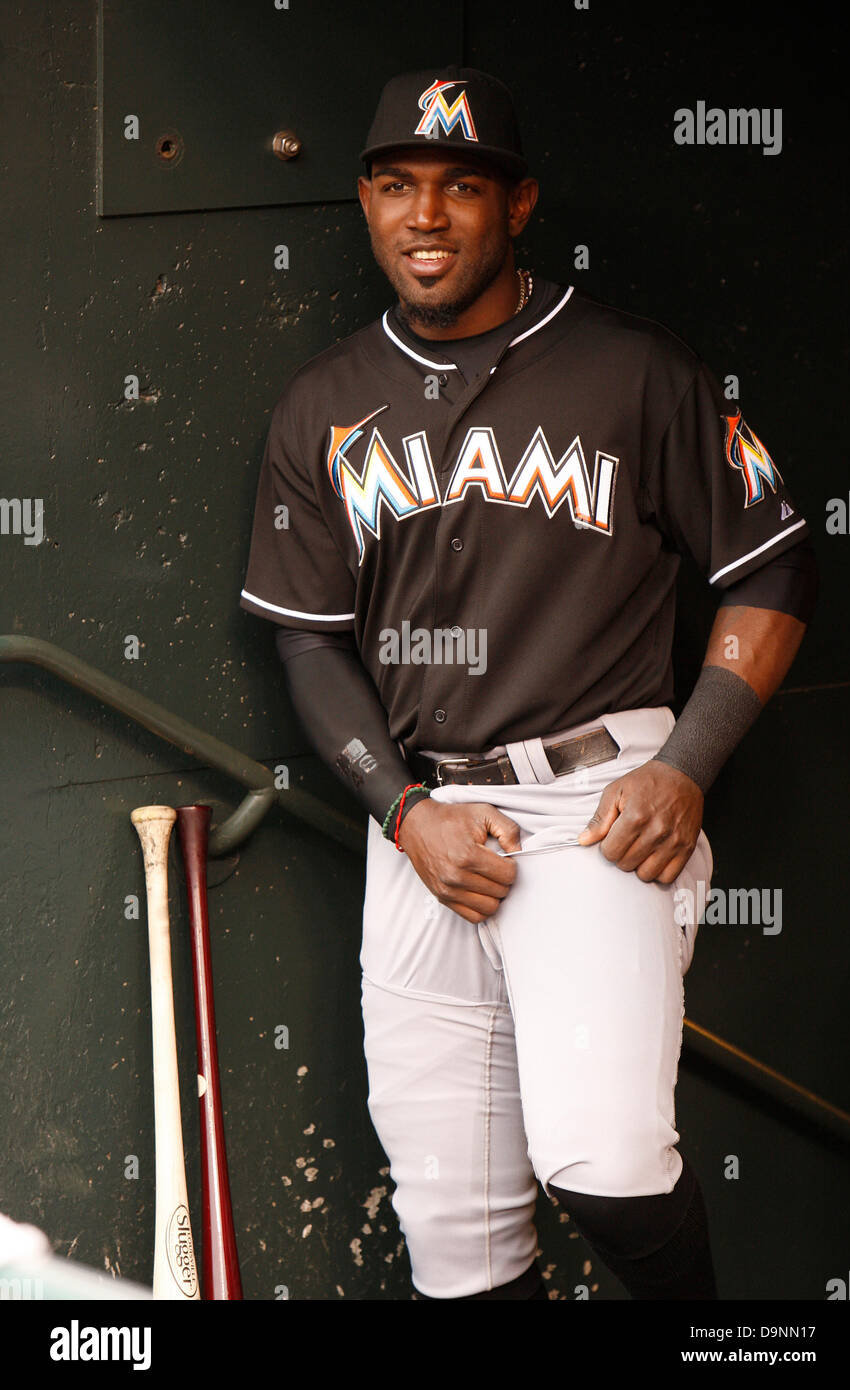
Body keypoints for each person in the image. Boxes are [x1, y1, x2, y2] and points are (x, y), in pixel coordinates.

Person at [240, 66, 817, 1301]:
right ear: (364, 202)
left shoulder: (632, 369)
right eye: (397, 184)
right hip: (421, 825)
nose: (425, 216)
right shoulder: (322, 404)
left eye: (461, 186)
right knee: (455, 1240)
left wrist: (686, 766)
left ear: (518, 205)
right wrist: (402, 811)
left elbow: (769, 566)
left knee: (605, 1165)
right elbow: (309, 642)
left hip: (595, 803)